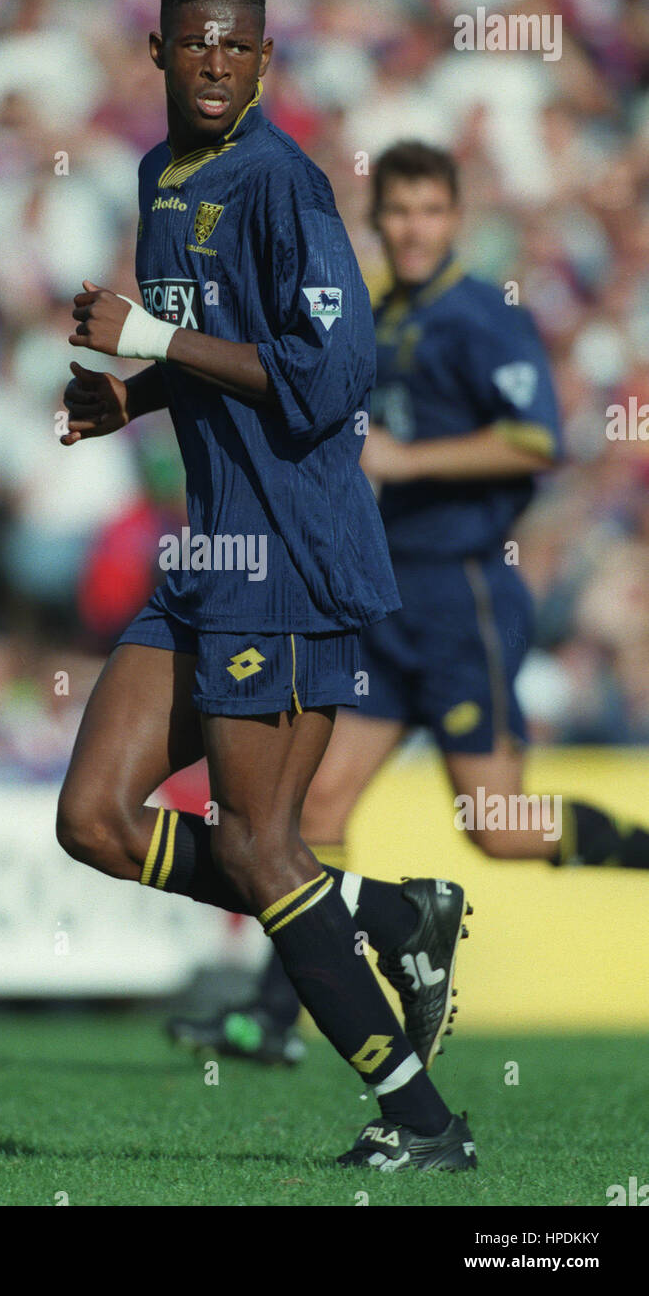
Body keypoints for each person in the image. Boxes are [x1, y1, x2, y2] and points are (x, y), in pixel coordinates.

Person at [55, 0, 476, 1173]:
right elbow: (219, 353)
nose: (216, 64)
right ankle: (393, 916)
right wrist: (129, 396)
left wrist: (149, 337)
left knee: (257, 842)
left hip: (288, 556)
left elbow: (327, 374)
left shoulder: (285, 183)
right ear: (158, 50)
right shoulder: (158, 175)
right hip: (210, 553)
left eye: (239, 49)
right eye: (196, 45)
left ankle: (422, 1121)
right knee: (91, 817)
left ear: (265, 62)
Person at [168, 140, 649, 1079]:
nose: (413, 228)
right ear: (376, 219)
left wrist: (405, 461)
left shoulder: (480, 316)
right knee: (315, 807)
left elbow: (535, 440)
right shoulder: (376, 316)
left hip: (462, 591)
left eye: (430, 211)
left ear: (453, 217)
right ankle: (275, 1016)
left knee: (499, 826)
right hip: (382, 593)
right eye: (398, 213)